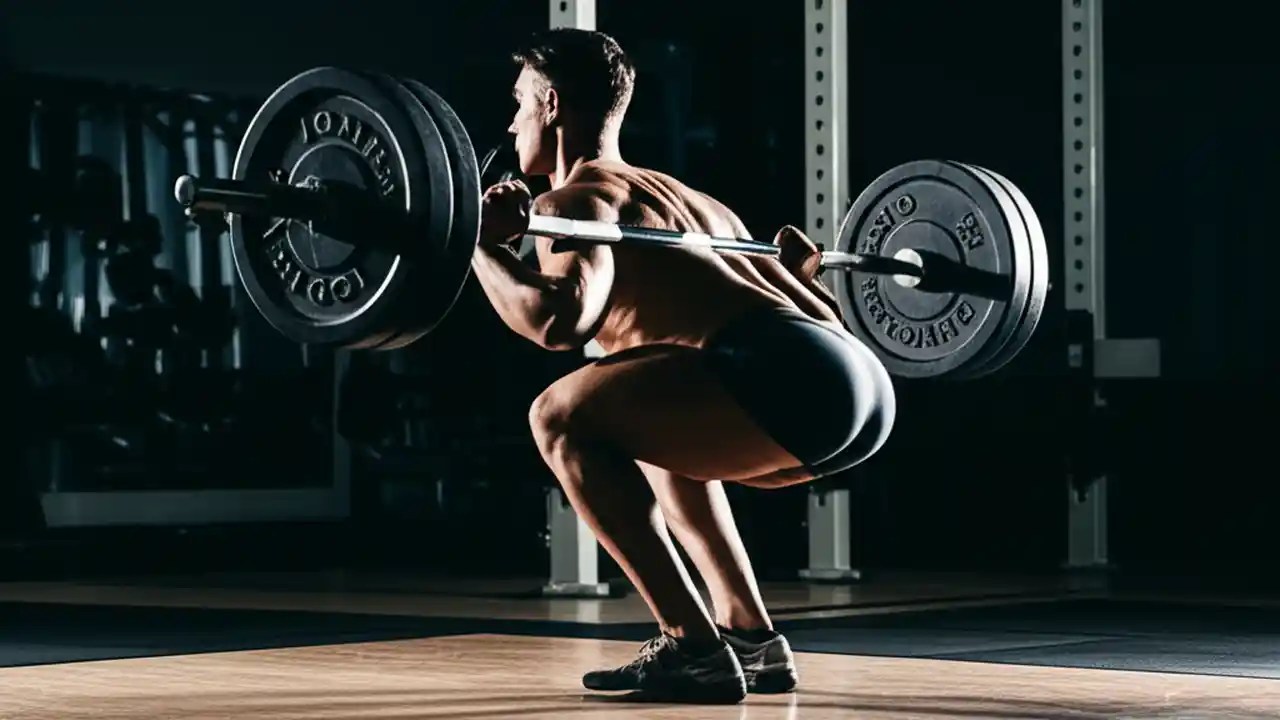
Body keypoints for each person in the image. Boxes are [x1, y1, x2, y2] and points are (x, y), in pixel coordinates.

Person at [470, 28, 896, 703]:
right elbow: (817, 320)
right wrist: (806, 278)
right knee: (646, 420)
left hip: (780, 377)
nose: (511, 120)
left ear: (551, 103)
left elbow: (560, 322)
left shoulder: (574, 202)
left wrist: (477, 244)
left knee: (557, 417)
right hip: (860, 385)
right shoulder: (695, 202)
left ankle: (690, 645)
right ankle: (751, 638)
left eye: (520, 102)